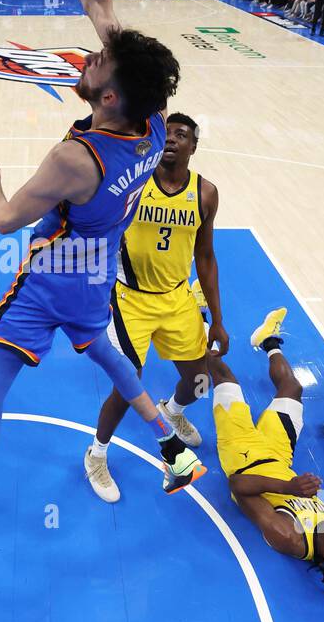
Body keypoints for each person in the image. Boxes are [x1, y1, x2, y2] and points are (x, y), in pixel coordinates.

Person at [0, 0, 205, 551]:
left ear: (106, 98)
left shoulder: (75, 159)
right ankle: (173, 447)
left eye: (97, 61)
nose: (89, 56)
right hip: (98, 267)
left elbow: (3, 220)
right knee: (102, 347)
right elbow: (98, 1)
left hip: (54, 272)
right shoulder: (151, 117)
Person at [84, 112, 227, 502]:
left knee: (199, 381)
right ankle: (96, 454)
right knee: (128, 382)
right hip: (130, 297)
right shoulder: (135, 181)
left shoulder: (206, 193)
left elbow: (206, 256)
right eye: (170, 133)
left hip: (177, 297)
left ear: (194, 146)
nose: (174, 140)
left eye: (183, 135)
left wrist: (217, 319)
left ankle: (174, 410)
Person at [214, 309, 324, 608]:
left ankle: (203, 332)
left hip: (243, 457)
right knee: (293, 388)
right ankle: (268, 340)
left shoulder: (289, 537)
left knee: (227, 378)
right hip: (279, 455)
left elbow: (237, 485)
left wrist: (287, 489)